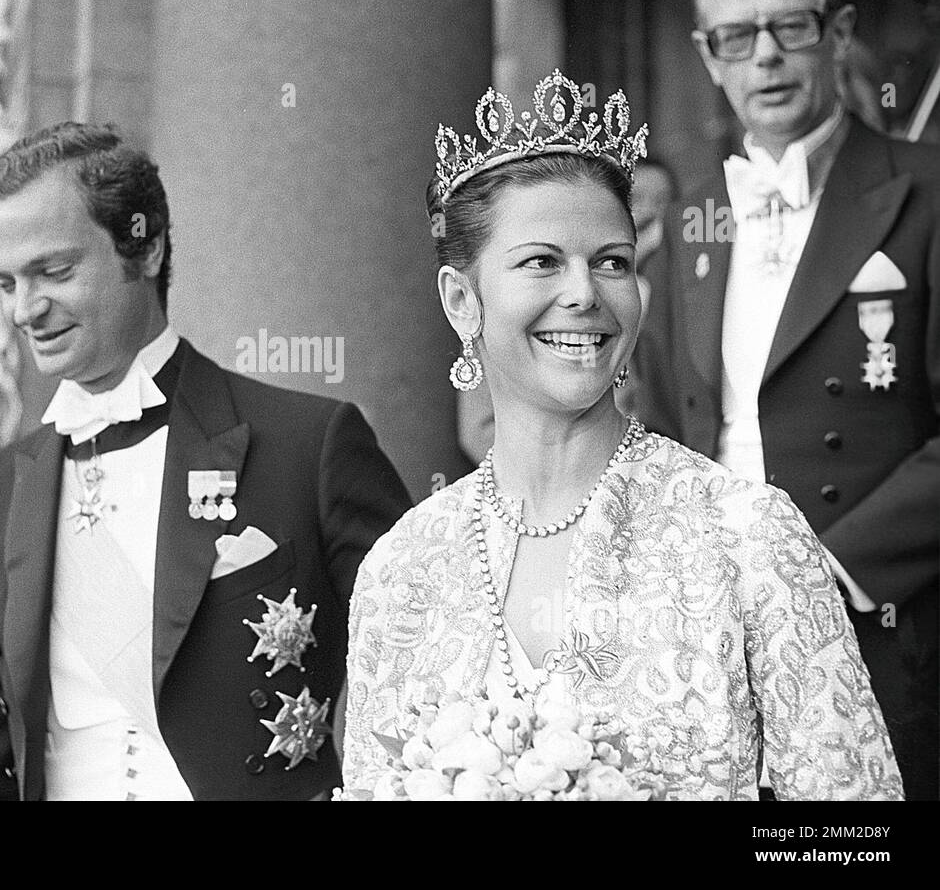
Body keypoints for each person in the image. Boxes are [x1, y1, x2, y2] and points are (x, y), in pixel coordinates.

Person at [341, 70, 901, 801]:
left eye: (612, 262)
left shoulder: (748, 537)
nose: (585, 293)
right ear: (461, 299)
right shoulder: (401, 571)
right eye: (542, 261)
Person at [0, 121, 410, 801]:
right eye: (5, 282)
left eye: (54, 271)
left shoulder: (310, 443)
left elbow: (425, 685)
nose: (24, 309)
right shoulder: (0, 487)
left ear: (146, 246)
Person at [634, 0, 938, 799]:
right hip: (721, 648)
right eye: (735, 36)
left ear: (838, 33)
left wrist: (822, 577)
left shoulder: (928, 191)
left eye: (788, 27)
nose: (764, 54)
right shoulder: (695, 218)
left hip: (883, 624)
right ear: (708, 57)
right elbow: (657, 430)